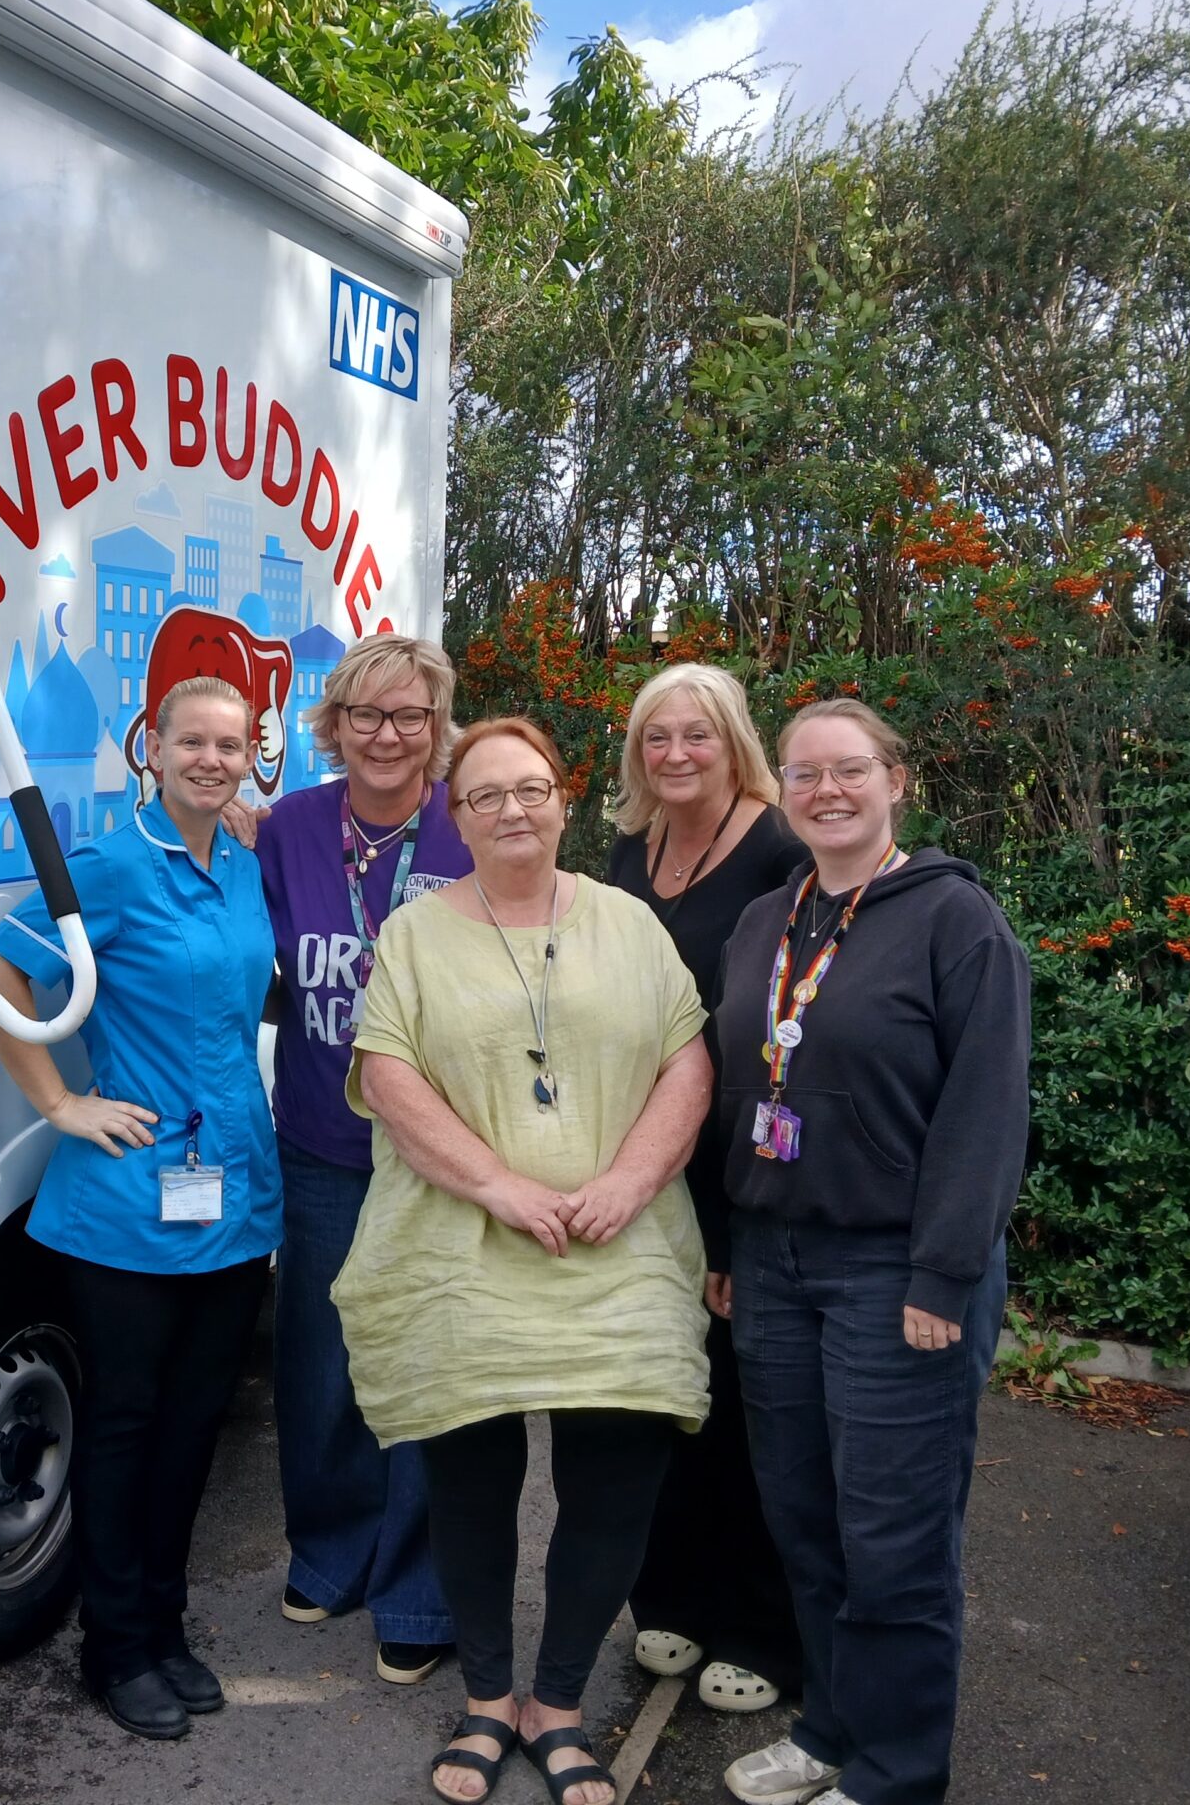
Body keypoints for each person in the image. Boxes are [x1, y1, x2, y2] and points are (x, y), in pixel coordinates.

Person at [339, 717, 716, 1805]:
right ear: (456, 818)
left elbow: (686, 1062)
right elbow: (389, 1073)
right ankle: (487, 1698)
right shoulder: (415, 931)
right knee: (469, 1484)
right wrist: (497, 1185)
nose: (512, 809)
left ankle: (556, 1703)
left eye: (531, 789)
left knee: (614, 1484)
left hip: (617, 1243)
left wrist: (627, 1183)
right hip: (461, 1244)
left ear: (565, 802)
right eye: (486, 795)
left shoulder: (629, 921)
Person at [711, 700, 1029, 1805]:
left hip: (897, 1275)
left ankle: (895, 1773)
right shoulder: (767, 920)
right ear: (782, 791)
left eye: (850, 771)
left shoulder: (954, 921)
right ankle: (830, 1727)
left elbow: (986, 1112)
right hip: (773, 1261)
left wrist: (944, 1272)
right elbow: (737, 1090)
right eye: (804, 774)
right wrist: (725, 1240)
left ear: (897, 781)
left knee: (892, 1536)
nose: (827, 791)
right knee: (802, 1517)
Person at [0, 675, 280, 1743]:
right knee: (124, 1426)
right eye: (191, 740)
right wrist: (59, 1098)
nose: (211, 758)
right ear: (150, 748)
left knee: (196, 1427)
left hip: (235, 1194)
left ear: (251, 756)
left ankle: (164, 1623)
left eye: (230, 744)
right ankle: (113, 1648)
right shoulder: (105, 865)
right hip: (128, 1210)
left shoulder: (241, 863)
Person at [254, 633, 471, 1685]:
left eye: (411, 717)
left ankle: (420, 1587)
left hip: (438, 1151)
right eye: (366, 716)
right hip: (321, 1145)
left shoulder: (471, 828)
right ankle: (329, 1552)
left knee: (430, 1370)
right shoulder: (287, 828)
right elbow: (250, 968)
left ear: (439, 731)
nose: (388, 736)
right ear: (331, 726)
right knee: (320, 1363)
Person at [602, 665, 810, 1716]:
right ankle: (669, 1599)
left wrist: (728, 1231)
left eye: (697, 735)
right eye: (655, 737)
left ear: (735, 742)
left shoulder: (781, 853)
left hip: (737, 1166)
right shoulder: (628, 853)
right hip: (641, 1161)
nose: (675, 754)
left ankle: (761, 1624)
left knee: (745, 1405)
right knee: (655, 1390)